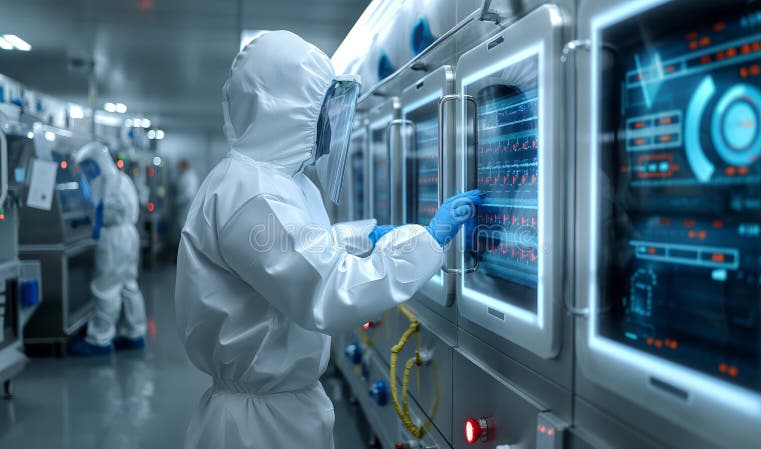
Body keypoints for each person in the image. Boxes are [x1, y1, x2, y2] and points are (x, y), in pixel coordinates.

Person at [174, 30, 481, 449]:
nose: (330, 124)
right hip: (258, 429)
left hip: (281, 411)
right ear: (285, 109)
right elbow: (329, 289)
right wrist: (425, 242)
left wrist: (361, 238)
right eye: (322, 109)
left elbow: (300, 247)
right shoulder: (254, 193)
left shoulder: (276, 181)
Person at [70, 142, 147, 355]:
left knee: (106, 287)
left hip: (114, 236)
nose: (87, 171)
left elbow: (100, 211)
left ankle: (99, 339)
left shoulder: (106, 181)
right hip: (129, 234)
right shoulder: (122, 178)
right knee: (128, 285)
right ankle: (134, 333)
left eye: (88, 166)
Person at [174, 159, 199, 231]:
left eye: (179, 167)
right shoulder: (185, 175)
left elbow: (189, 194)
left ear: (184, 166)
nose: (178, 169)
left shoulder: (190, 176)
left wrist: (178, 201)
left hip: (187, 206)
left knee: (185, 226)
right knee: (182, 225)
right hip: (183, 207)